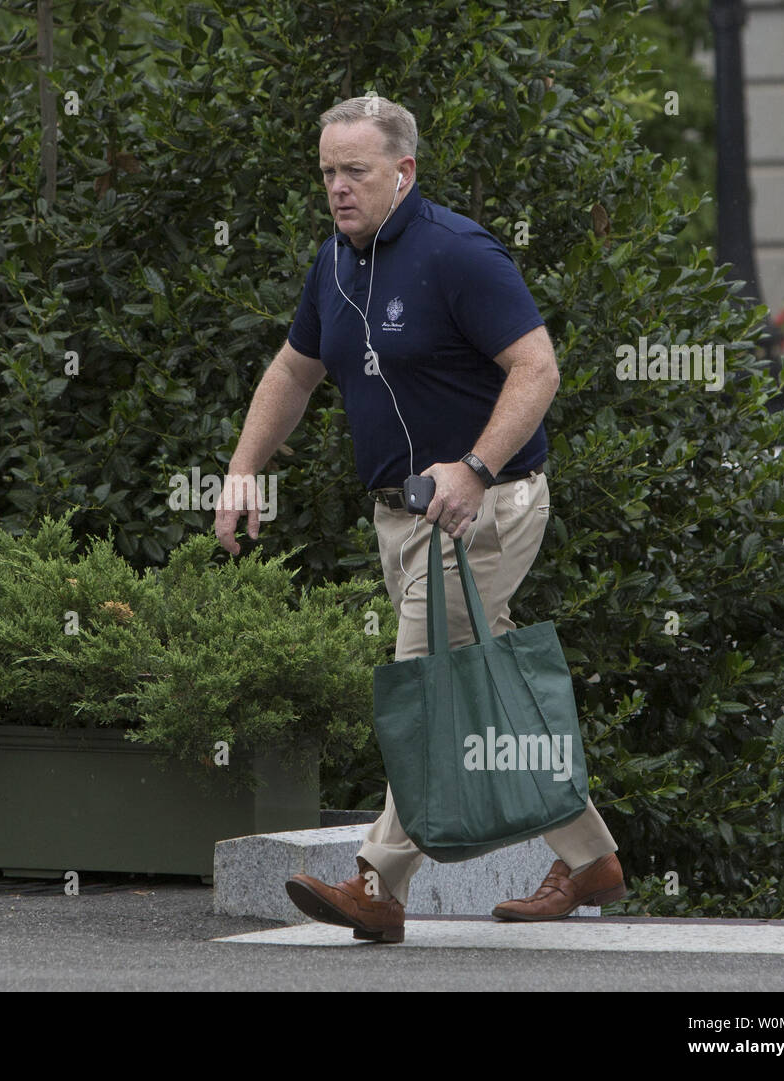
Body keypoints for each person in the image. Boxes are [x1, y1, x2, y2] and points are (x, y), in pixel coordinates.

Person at [213, 95, 625, 944]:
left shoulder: (459, 253)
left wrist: (475, 469)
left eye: (355, 171)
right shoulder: (333, 261)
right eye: (327, 171)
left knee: (427, 685)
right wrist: (243, 469)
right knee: (481, 687)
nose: (337, 188)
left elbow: (537, 367)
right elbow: (294, 372)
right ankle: (590, 856)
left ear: (404, 172)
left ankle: (379, 883)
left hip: (484, 509)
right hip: (401, 519)